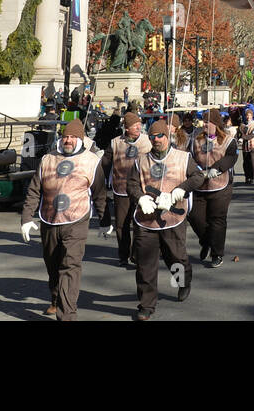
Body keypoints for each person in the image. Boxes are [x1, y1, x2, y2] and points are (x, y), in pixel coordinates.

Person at [21, 118, 107, 320]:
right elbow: (34, 190)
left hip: (76, 220)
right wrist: (26, 218)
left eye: (73, 137)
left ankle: (67, 313)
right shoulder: (47, 158)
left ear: (81, 140)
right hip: (49, 219)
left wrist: (105, 220)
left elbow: (99, 193)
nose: (68, 140)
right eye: (66, 136)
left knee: (69, 265)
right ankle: (56, 298)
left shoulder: (91, 161)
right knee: (53, 264)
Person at [127, 119, 206, 320]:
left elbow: (198, 177)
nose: (156, 140)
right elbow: (132, 184)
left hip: (173, 217)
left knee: (175, 257)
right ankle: (146, 305)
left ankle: (182, 282)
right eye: (152, 137)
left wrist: (180, 190)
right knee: (145, 264)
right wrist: (140, 197)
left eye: (160, 136)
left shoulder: (182, 157)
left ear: (167, 137)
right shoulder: (141, 160)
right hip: (146, 219)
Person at [99, 111, 151, 269]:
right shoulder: (115, 143)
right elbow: (105, 165)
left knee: (139, 223)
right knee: (122, 224)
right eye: (134, 125)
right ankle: (123, 255)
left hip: (141, 190)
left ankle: (136, 254)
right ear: (126, 128)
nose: (138, 127)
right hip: (121, 189)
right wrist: (99, 182)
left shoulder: (146, 142)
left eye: (139, 124)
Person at [187, 109, 238, 268]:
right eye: (204, 121)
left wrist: (217, 168)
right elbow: (189, 157)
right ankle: (206, 242)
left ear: (216, 124)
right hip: (200, 185)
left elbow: (232, 157)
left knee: (217, 220)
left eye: (208, 122)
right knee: (195, 217)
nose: (205, 124)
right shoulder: (196, 139)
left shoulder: (228, 140)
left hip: (220, 185)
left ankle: (217, 254)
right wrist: (194, 170)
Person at [237, 108, 254, 185]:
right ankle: (247, 177)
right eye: (247, 115)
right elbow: (239, 133)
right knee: (246, 162)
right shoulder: (242, 125)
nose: (248, 117)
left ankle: (252, 176)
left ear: (252, 116)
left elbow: (253, 134)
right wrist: (239, 137)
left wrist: (243, 137)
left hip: (253, 145)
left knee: (252, 161)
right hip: (245, 146)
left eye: (250, 115)